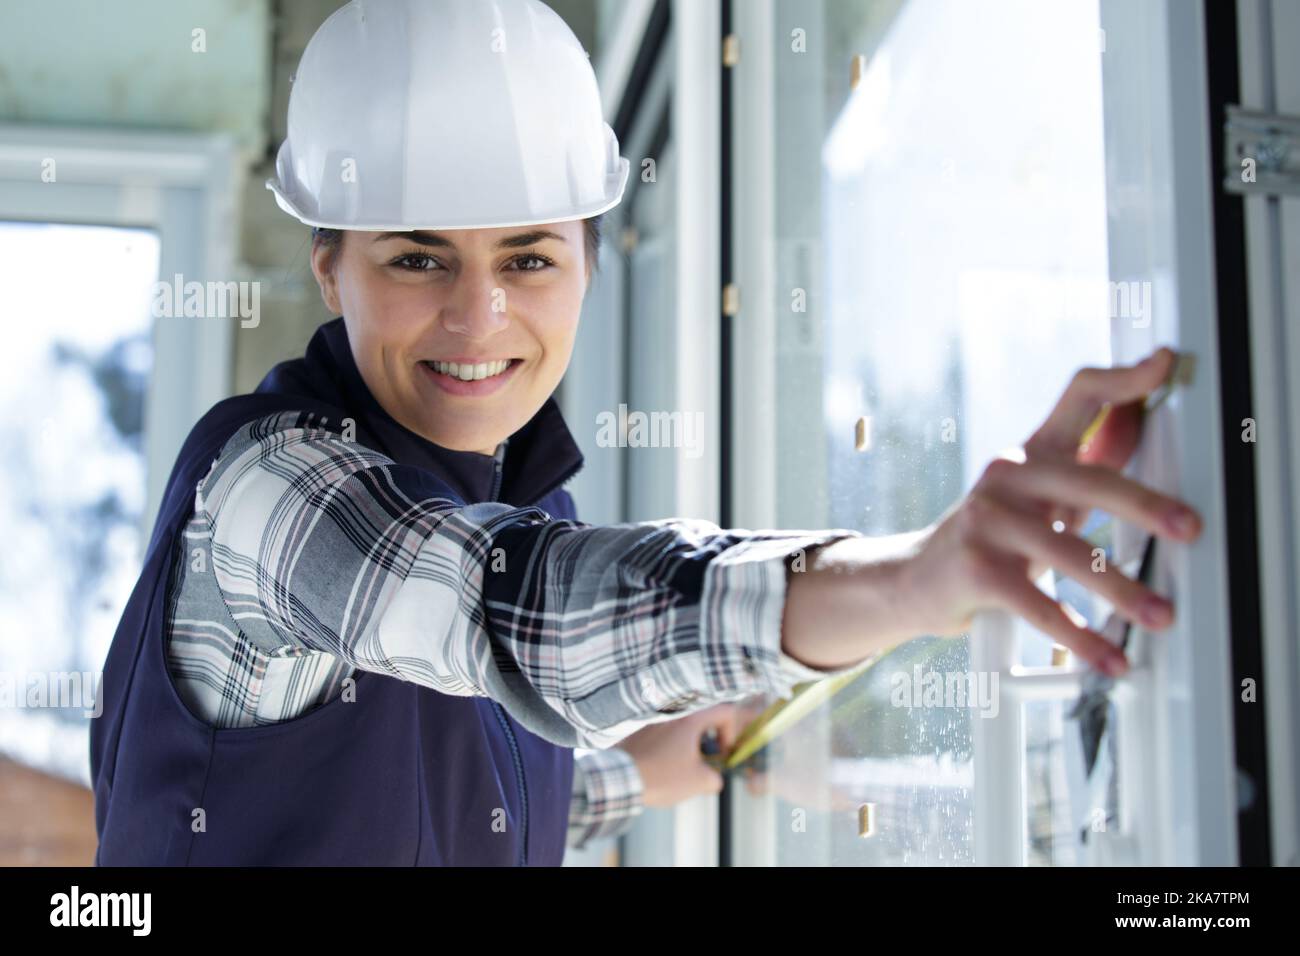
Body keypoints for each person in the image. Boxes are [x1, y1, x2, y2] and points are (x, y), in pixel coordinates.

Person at [89, 0, 1202, 866]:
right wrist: (909, 575)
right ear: (331, 268)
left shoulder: (518, 502)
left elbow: (444, 791)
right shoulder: (267, 489)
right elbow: (509, 614)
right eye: (416, 257)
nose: (479, 318)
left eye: (528, 257)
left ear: (587, 264)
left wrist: (634, 776)